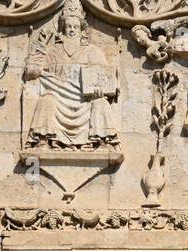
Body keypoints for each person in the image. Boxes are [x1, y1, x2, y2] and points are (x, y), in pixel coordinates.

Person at [25, 0, 119, 149]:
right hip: (58, 99)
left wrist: (101, 91)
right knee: (46, 100)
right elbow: (31, 72)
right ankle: (43, 140)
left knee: (101, 103)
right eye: (68, 26)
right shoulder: (52, 52)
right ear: (62, 28)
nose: (72, 30)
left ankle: (102, 142)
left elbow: (108, 79)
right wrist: (41, 44)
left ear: (81, 29)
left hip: (85, 103)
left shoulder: (93, 51)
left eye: (76, 26)